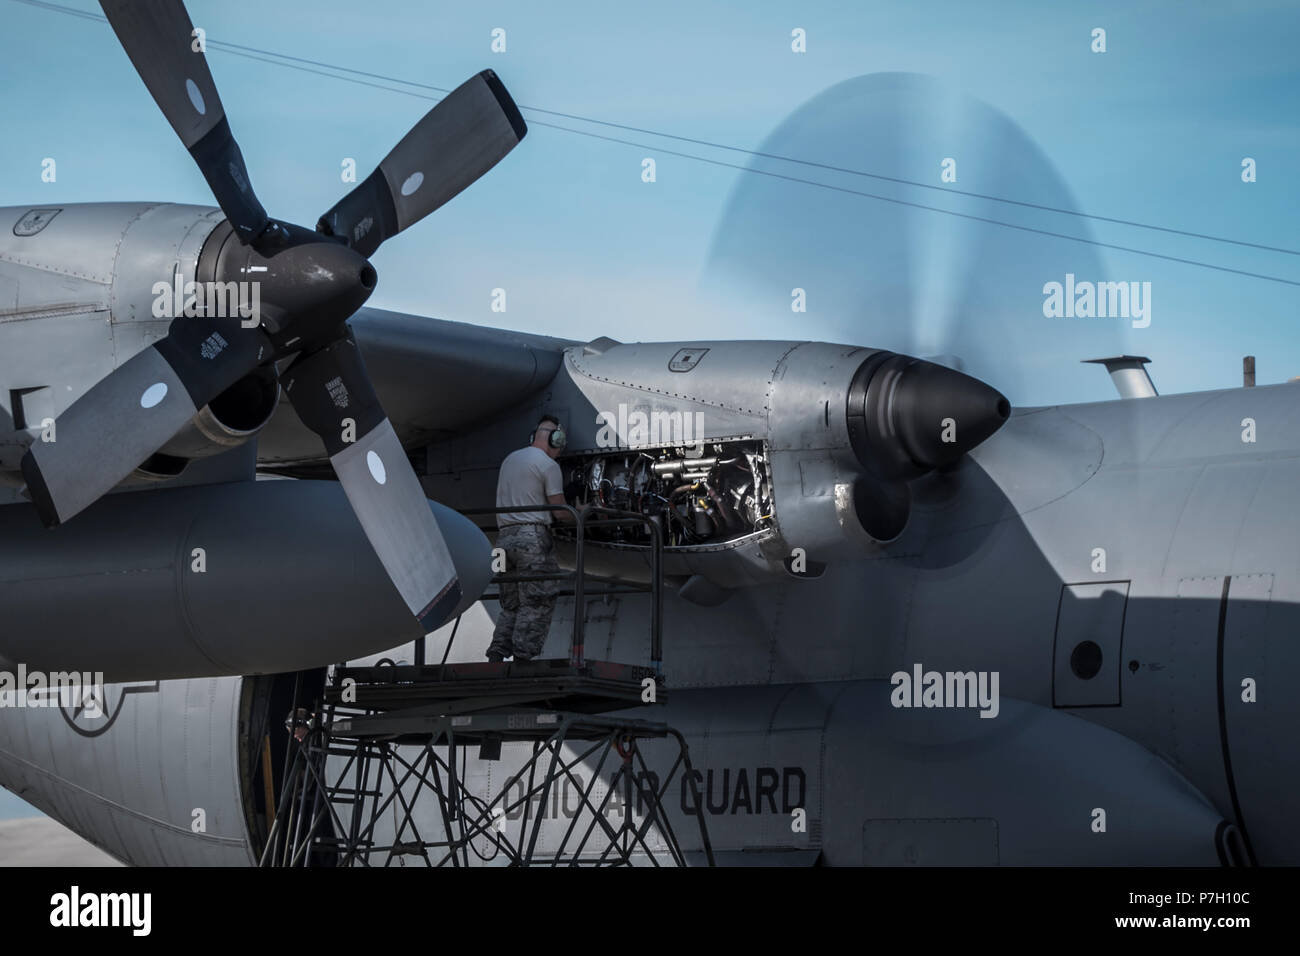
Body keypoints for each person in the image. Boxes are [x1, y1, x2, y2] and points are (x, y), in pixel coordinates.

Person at [487, 414, 571, 662]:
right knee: (537, 600)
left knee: (510, 604)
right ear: (556, 440)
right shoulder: (548, 465)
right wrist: (581, 513)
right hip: (531, 538)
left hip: (501, 542)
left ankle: (496, 654)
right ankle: (523, 660)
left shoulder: (510, 459)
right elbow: (559, 511)